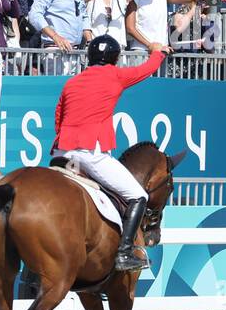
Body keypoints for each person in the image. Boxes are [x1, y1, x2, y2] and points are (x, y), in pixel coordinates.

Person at [53, 35, 167, 271]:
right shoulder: (114, 74)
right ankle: (124, 252)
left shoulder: (72, 82)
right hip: (90, 153)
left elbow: (58, 118)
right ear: (114, 59)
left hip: (62, 153)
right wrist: (158, 52)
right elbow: (146, 70)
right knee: (139, 196)